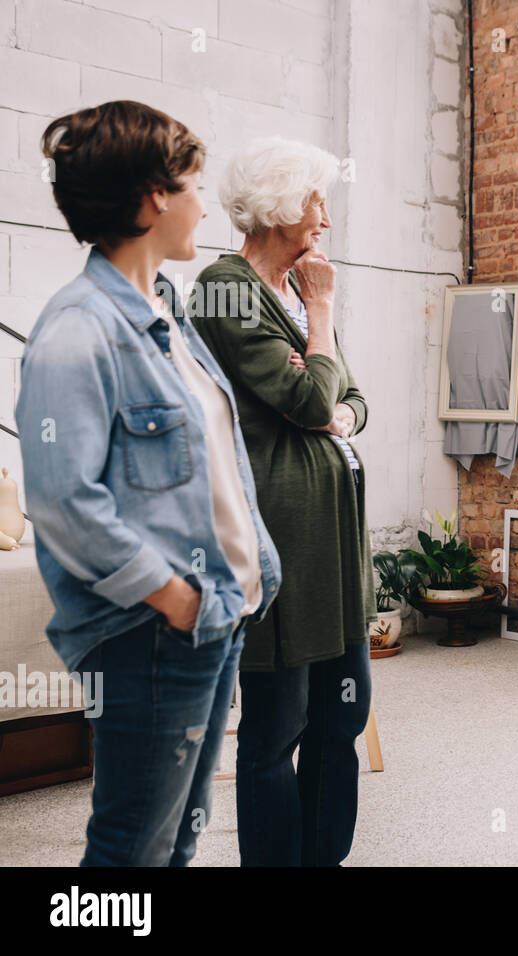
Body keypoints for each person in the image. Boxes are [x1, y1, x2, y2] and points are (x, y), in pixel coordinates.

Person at [16, 100, 282, 866]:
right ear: (154, 195)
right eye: (194, 184)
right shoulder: (77, 329)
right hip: (152, 633)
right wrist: (176, 599)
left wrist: (228, 593)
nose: (205, 204)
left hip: (212, 620)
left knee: (177, 841)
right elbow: (63, 499)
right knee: (131, 846)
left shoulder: (165, 311)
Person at [190, 136, 375, 867]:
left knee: (343, 715)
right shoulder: (225, 287)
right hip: (278, 534)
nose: (325, 218)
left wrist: (338, 408)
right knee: (278, 728)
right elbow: (305, 396)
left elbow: (348, 395)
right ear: (275, 208)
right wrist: (323, 323)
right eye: (315, 201)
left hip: (336, 539)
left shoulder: (298, 287)